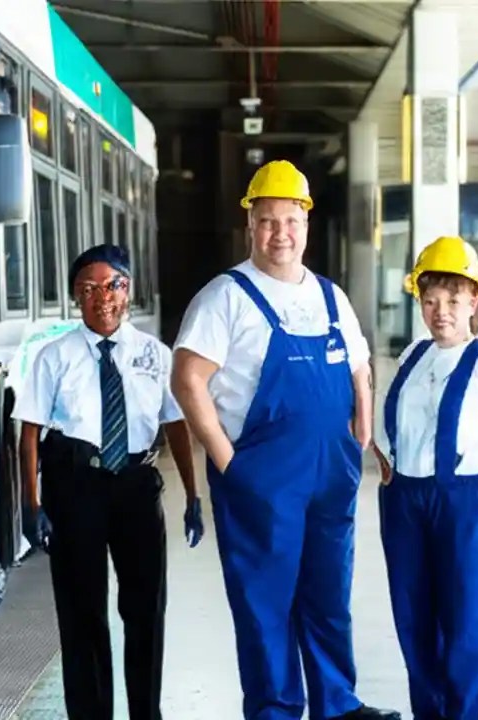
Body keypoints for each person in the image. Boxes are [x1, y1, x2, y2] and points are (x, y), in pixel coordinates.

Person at [171, 159, 399, 720]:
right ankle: (275, 710)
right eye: (268, 221)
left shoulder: (330, 297)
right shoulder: (225, 297)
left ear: (306, 224)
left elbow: (360, 368)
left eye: (291, 220)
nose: (281, 233)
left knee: (327, 596)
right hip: (260, 478)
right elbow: (187, 379)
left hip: (329, 476)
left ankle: (337, 705)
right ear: (250, 226)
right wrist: (227, 464)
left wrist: (361, 434)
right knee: (265, 606)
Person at [12, 243, 203, 720]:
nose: (103, 298)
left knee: (145, 611)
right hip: (75, 486)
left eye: (113, 285)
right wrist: (31, 505)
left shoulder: (155, 355)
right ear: (77, 296)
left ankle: (146, 712)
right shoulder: (52, 356)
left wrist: (194, 496)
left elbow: (176, 423)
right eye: (90, 288)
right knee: (82, 614)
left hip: (136, 486)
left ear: (128, 290)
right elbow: (29, 432)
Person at [371, 235, 478, 720]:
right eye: (429, 300)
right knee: (415, 624)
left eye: (451, 300)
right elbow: (390, 423)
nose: (439, 311)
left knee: (465, 631)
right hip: (405, 501)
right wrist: (388, 467)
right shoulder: (412, 357)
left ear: (473, 301)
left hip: (465, 504)